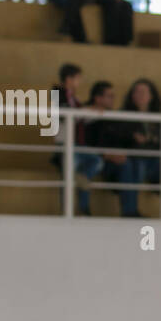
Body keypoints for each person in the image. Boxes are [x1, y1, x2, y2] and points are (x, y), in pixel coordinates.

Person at [123, 78, 161, 219]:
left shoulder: (157, 118)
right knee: (136, 166)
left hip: (154, 161)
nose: (139, 95)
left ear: (151, 96)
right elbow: (119, 136)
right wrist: (132, 138)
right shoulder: (125, 115)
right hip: (135, 159)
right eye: (136, 92)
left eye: (143, 92)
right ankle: (130, 210)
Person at [84, 80, 140, 217]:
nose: (113, 99)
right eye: (109, 96)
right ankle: (129, 212)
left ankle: (132, 209)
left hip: (114, 159)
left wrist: (134, 138)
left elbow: (120, 138)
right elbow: (85, 144)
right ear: (97, 98)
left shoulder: (113, 117)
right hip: (96, 159)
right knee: (125, 165)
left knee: (137, 162)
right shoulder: (85, 117)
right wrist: (106, 155)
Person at [49, 62, 99, 215]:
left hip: (76, 143)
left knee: (96, 161)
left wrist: (92, 112)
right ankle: (67, 212)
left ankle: (82, 202)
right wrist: (86, 110)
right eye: (78, 78)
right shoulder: (57, 94)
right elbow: (66, 115)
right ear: (69, 79)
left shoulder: (72, 97)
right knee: (67, 180)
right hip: (65, 144)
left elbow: (78, 117)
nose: (79, 82)